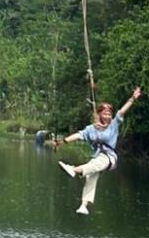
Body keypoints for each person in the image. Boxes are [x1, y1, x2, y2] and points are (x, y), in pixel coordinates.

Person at [52, 86, 142, 215]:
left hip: (109, 158)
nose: (108, 116)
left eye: (109, 114)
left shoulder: (113, 125)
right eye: (105, 114)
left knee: (93, 165)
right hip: (96, 157)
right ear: (99, 114)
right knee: (91, 177)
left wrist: (133, 98)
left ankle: (73, 169)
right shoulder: (91, 129)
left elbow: (122, 111)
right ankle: (84, 205)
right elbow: (78, 135)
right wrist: (63, 141)